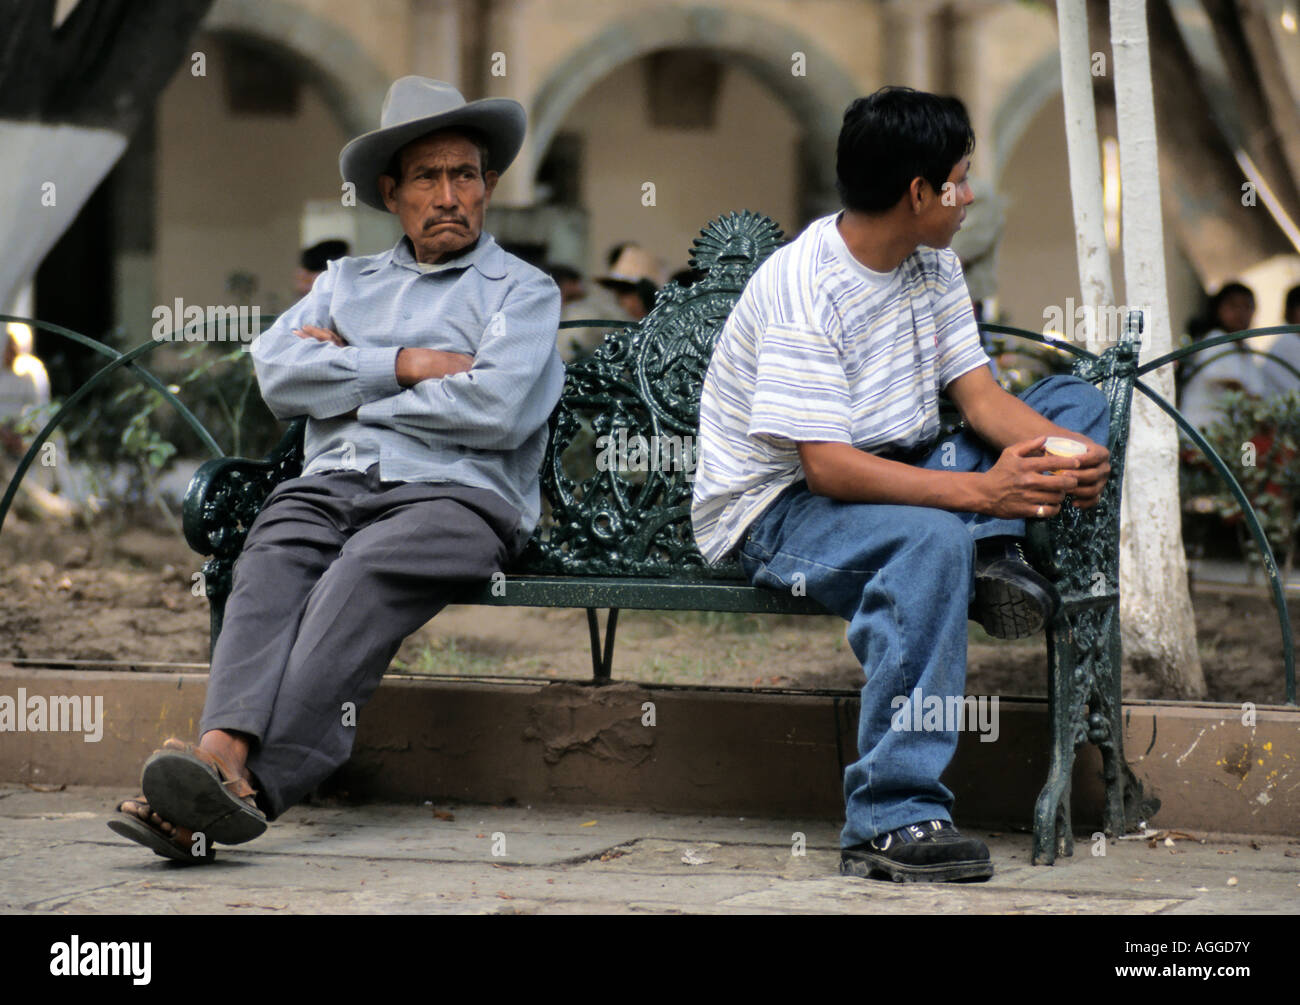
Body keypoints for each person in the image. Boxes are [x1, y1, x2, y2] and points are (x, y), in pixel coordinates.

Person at [109, 77, 564, 863]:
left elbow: (496, 411)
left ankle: (244, 780)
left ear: (489, 186)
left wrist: (351, 389)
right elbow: (278, 375)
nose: (450, 194)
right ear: (392, 192)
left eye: (466, 175)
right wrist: (411, 364)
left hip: (455, 499)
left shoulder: (521, 293)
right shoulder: (345, 281)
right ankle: (220, 754)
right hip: (329, 485)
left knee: (361, 571)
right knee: (269, 553)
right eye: (428, 176)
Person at [691, 86, 1110, 884]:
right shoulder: (804, 287)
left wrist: (1071, 455)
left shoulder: (935, 263)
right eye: (958, 178)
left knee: (1074, 405)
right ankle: (889, 818)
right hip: (782, 509)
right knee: (932, 537)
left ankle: (990, 552)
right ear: (918, 192)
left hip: (909, 461)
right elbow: (827, 467)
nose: (970, 194)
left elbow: (981, 400)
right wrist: (986, 494)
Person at [1179, 282, 1269, 430]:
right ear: (1218, 309)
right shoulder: (1216, 339)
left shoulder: (1246, 350)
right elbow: (1235, 388)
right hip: (1202, 436)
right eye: (1233, 306)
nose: (1240, 313)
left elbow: (1257, 394)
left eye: (1246, 306)